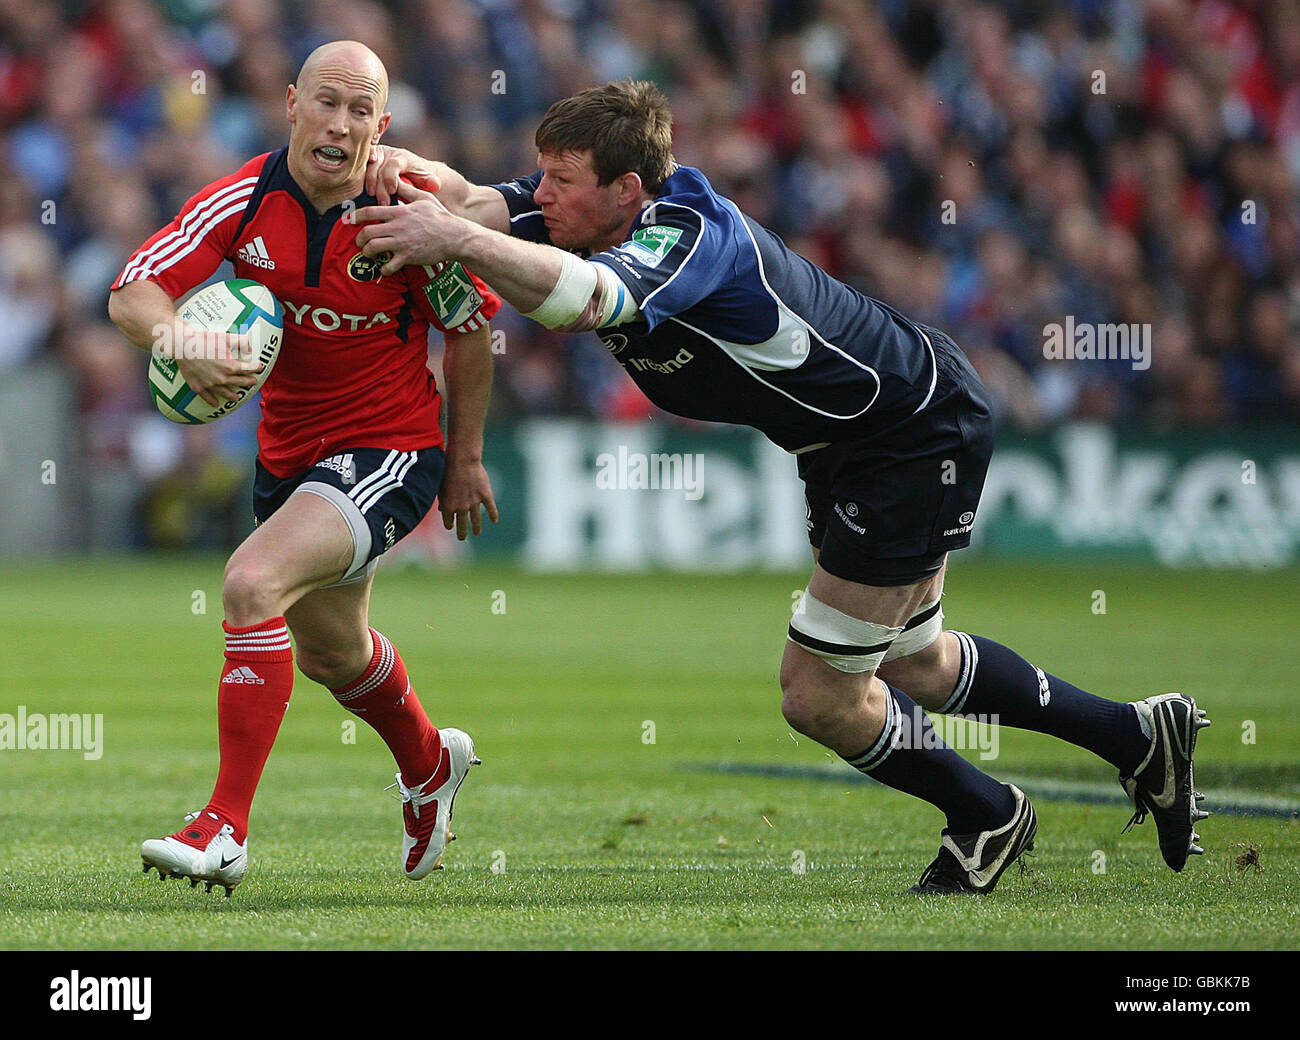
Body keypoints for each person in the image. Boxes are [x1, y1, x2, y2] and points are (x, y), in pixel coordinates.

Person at [353, 79, 1210, 894]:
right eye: (542, 172)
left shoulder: (687, 234)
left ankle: (989, 810)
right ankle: (1132, 735)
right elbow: (468, 203)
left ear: (626, 190)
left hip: (908, 430)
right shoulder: (581, 212)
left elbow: (591, 302)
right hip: (845, 442)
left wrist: (455, 240)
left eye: (561, 179)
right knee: (913, 660)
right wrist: (394, 172)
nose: (542, 193)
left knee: (817, 692)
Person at [108, 41, 499, 896]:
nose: (342, 124)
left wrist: (464, 458)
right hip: (290, 456)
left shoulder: (403, 209)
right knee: (332, 653)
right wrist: (181, 338)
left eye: (362, 111)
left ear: (383, 126)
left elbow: (470, 332)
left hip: (393, 451)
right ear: (291, 103)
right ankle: (432, 764)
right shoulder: (242, 200)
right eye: (328, 102)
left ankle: (224, 829)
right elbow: (132, 290)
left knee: (251, 583)